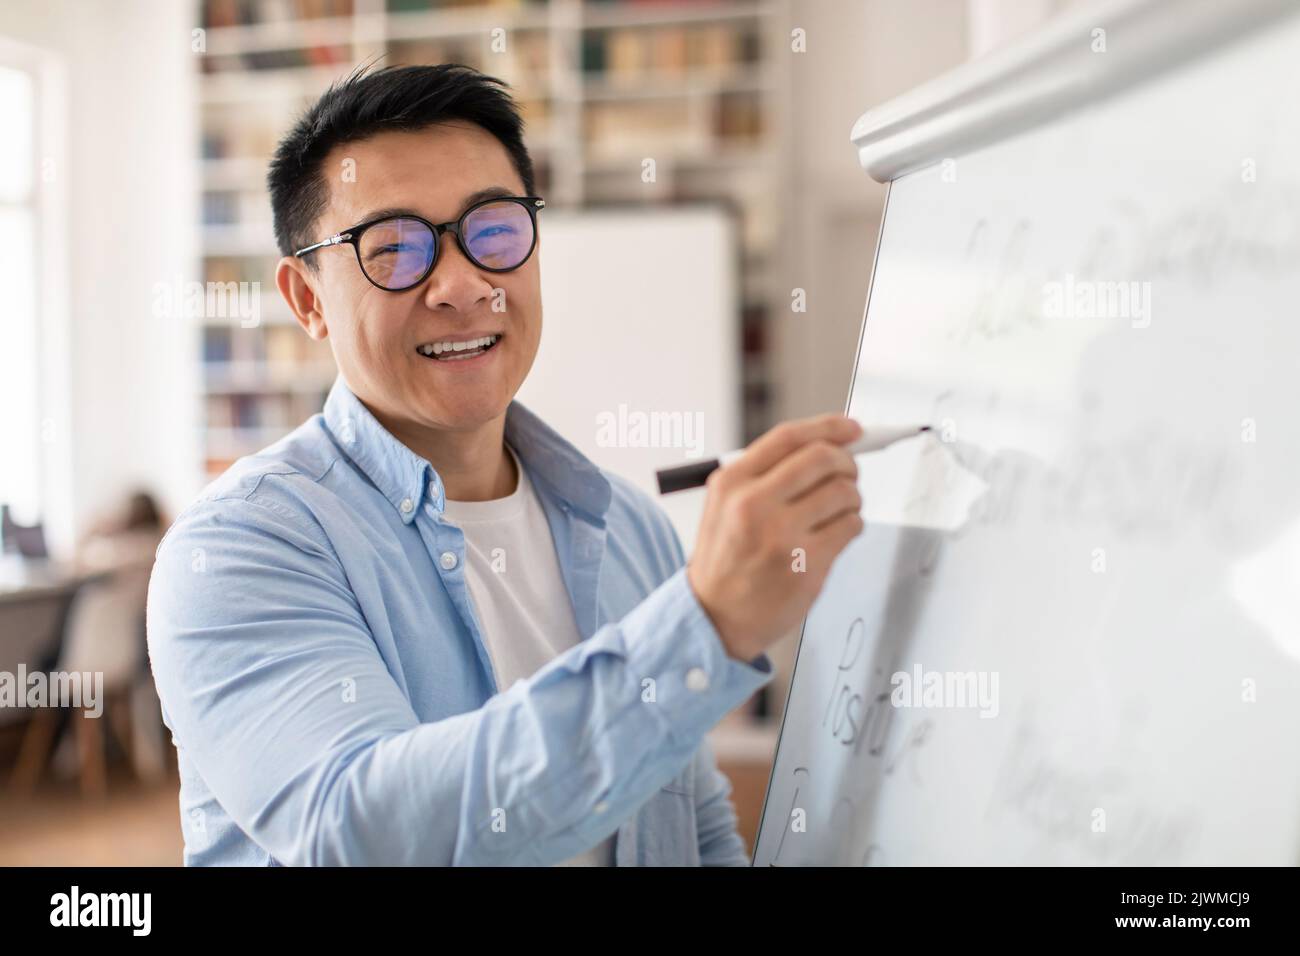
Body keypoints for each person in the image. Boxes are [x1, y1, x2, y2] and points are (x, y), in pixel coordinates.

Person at [146, 64, 865, 866]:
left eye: (493, 231)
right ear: (307, 299)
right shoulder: (239, 548)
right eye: (393, 249)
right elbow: (363, 833)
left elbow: (694, 829)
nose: (462, 285)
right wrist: (705, 627)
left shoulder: (629, 528)